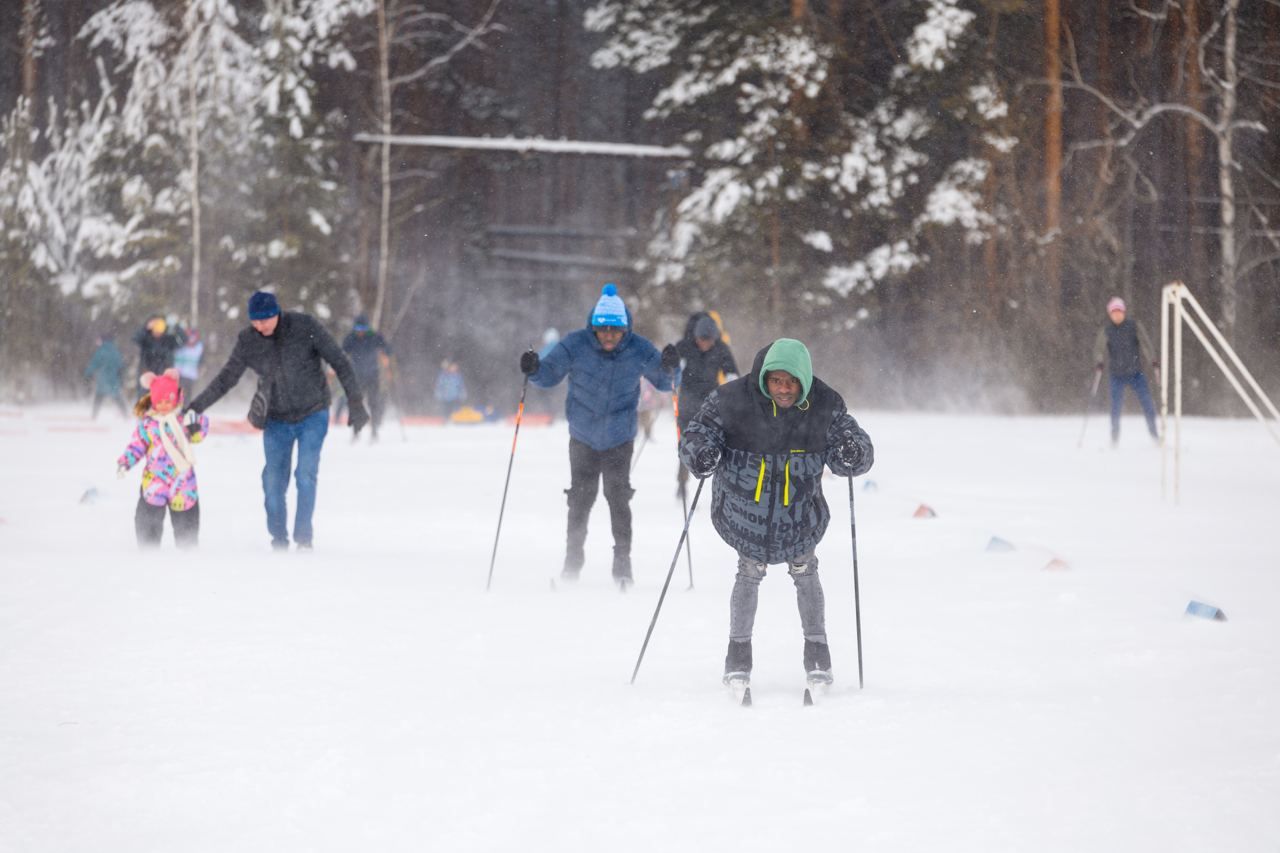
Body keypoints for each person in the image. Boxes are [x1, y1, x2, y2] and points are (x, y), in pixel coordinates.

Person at [678, 338, 874, 690]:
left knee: (806, 571)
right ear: (764, 378)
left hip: (799, 515)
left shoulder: (824, 404)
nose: (784, 389)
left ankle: (818, 653)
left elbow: (856, 443)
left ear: (804, 380)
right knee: (748, 572)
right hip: (744, 511)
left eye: (792, 382)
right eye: (776, 381)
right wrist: (701, 453)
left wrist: (851, 453)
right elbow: (698, 431)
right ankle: (738, 657)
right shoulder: (731, 400)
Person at [519, 283, 680, 590]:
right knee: (580, 500)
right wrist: (534, 367)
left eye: (615, 330)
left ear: (625, 329)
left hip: (619, 437)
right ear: (593, 327)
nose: (608, 336)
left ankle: (622, 564)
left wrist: (672, 365)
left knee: (618, 498)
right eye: (602, 330)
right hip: (582, 435)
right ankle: (572, 561)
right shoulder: (575, 344)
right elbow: (548, 374)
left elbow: (664, 381)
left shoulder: (638, 348)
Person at [186, 291, 369, 551]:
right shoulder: (248, 340)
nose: (260, 326)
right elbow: (227, 378)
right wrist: (196, 406)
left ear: (277, 313)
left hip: (313, 413)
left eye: (266, 319)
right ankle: (279, 540)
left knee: (305, 475)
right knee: (273, 483)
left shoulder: (305, 326)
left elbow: (339, 360)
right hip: (276, 419)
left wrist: (356, 401)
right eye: (255, 321)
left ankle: (304, 539)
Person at [116, 369, 209, 548]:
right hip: (154, 482)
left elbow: (199, 434)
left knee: (186, 523)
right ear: (153, 401)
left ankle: (187, 551)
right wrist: (125, 462)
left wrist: (197, 426)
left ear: (176, 399)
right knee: (148, 520)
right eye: (160, 402)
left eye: (169, 400)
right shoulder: (148, 425)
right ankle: (148, 551)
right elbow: (137, 446)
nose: (165, 405)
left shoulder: (183, 421)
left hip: (183, 483)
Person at [673, 311, 738, 496]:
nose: (705, 344)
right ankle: (682, 483)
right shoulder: (684, 346)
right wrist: (671, 365)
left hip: (711, 405)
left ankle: (718, 486)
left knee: (715, 445)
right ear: (695, 336)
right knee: (686, 444)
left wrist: (734, 392)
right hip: (686, 403)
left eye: (709, 340)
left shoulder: (721, 348)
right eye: (702, 339)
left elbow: (732, 373)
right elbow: (670, 369)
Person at [1093, 296, 1160, 446]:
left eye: (1119, 312)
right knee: (1115, 408)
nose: (1117, 315)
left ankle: (1155, 435)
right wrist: (1099, 362)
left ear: (1124, 312)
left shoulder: (1134, 326)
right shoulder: (1107, 330)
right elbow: (1099, 348)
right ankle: (1114, 438)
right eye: (1113, 313)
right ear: (1110, 314)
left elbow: (1145, 344)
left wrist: (1153, 360)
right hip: (1116, 375)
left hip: (1136, 373)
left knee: (1148, 404)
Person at [340, 315, 392, 440]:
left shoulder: (374, 336)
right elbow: (342, 351)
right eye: (358, 328)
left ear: (367, 328)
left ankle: (374, 430)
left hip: (372, 375)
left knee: (374, 402)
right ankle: (356, 431)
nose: (360, 331)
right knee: (355, 403)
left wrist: (386, 354)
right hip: (356, 376)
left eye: (363, 328)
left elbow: (388, 349)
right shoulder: (351, 338)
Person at [132, 315, 185, 393]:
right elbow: (135, 338)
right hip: (147, 374)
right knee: (144, 398)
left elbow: (183, 340)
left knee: (163, 399)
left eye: (160, 326)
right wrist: (145, 328)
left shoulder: (169, 340)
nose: (157, 331)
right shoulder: (146, 339)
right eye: (155, 326)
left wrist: (176, 326)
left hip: (164, 375)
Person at [85, 333, 128, 419]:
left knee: (99, 398)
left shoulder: (101, 351)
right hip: (114, 379)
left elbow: (94, 364)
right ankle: (125, 415)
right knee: (117, 397)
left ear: (103, 340)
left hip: (103, 379)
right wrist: (121, 378)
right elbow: (121, 366)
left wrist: (87, 374)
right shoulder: (115, 351)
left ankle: (94, 416)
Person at [173, 329, 205, 399]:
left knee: (188, 395)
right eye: (190, 337)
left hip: (191, 376)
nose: (191, 340)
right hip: (179, 375)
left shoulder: (199, 348)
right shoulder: (179, 346)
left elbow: (202, 361)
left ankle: (186, 407)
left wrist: (201, 370)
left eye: (193, 338)